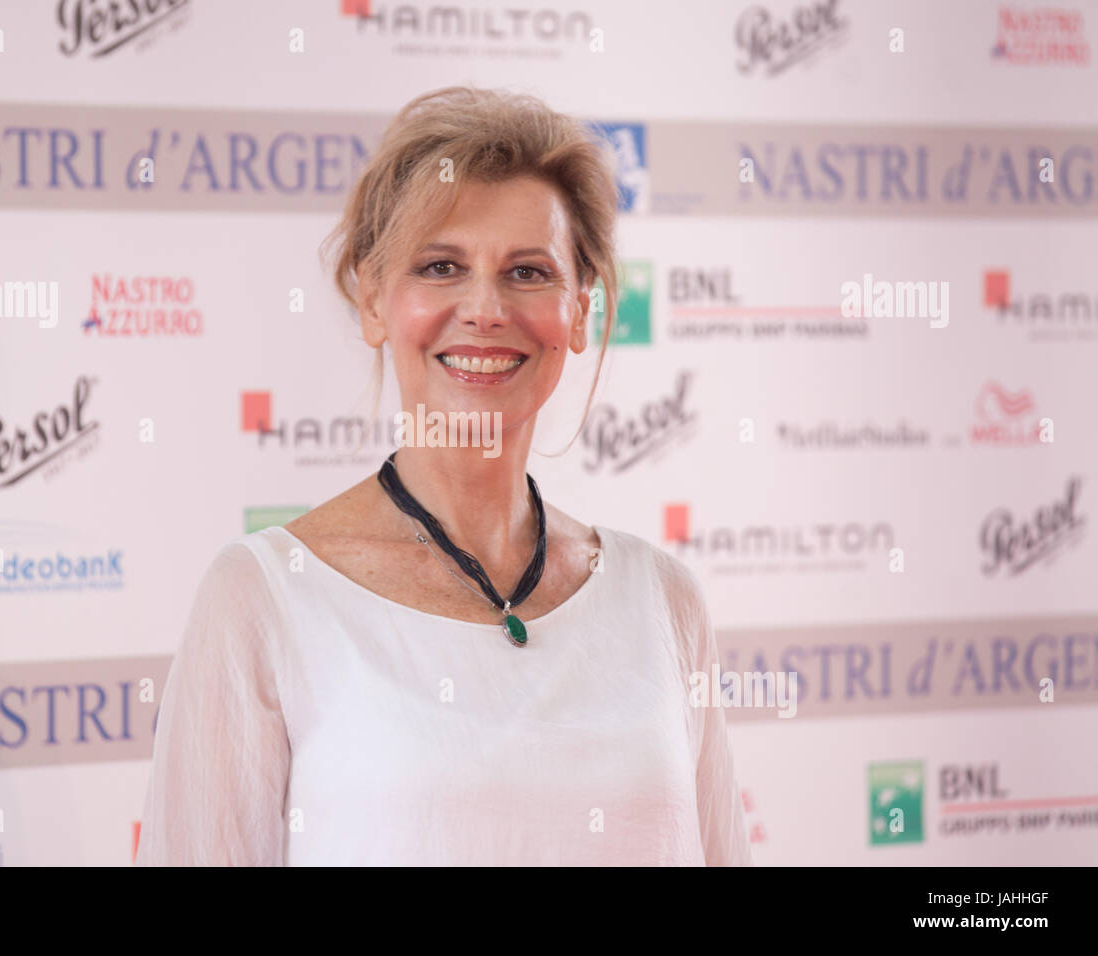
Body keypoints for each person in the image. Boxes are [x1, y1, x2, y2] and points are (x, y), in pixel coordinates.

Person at [134, 85, 752, 866]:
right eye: (440, 266)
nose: (485, 309)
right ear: (372, 300)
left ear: (581, 311)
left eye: (529, 272)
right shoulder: (262, 597)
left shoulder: (665, 600)